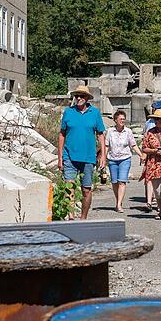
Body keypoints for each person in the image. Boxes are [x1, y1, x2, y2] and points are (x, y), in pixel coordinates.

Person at [57, 85, 106, 220]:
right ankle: (71, 217)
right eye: (77, 96)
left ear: (87, 98)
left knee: (86, 190)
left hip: (88, 157)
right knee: (69, 187)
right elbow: (62, 134)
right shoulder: (68, 112)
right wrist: (60, 158)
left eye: (82, 96)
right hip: (69, 156)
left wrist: (103, 156)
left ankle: (83, 218)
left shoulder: (94, 113)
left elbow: (100, 135)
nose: (79, 98)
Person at [104, 110, 145, 213]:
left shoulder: (128, 131)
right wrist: (103, 158)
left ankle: (118, 204)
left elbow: (133, 145)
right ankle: (118, 200)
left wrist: (141, 155)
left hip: (125, 159)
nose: (123, 121)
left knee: (122, 181)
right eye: (120, 119)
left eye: (124, 119)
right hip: (112, 159)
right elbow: (106, 145)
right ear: (115, 120)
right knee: (114, 182)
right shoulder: (110, 131)